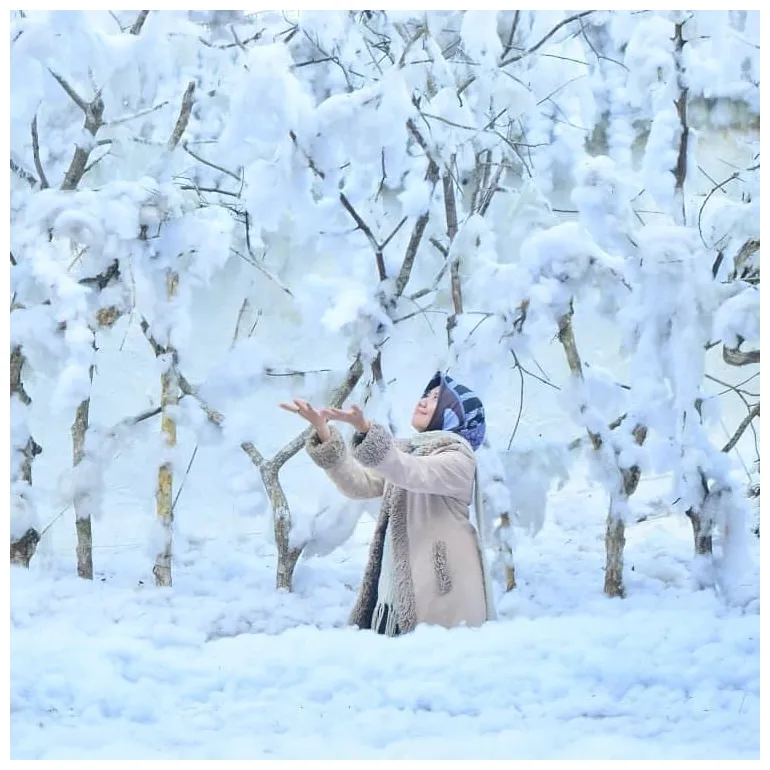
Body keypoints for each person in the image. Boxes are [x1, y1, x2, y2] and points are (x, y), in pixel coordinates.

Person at [280, 371, 495, 636]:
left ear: (454, 414)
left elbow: (410, 471)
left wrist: (366, 431)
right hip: (405, 585)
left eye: (437, 398)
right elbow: (358, 483)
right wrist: (323, 431)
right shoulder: (409, 454)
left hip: (444, 586)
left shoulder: (458, 459)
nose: (424, 400)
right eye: (426, 394)